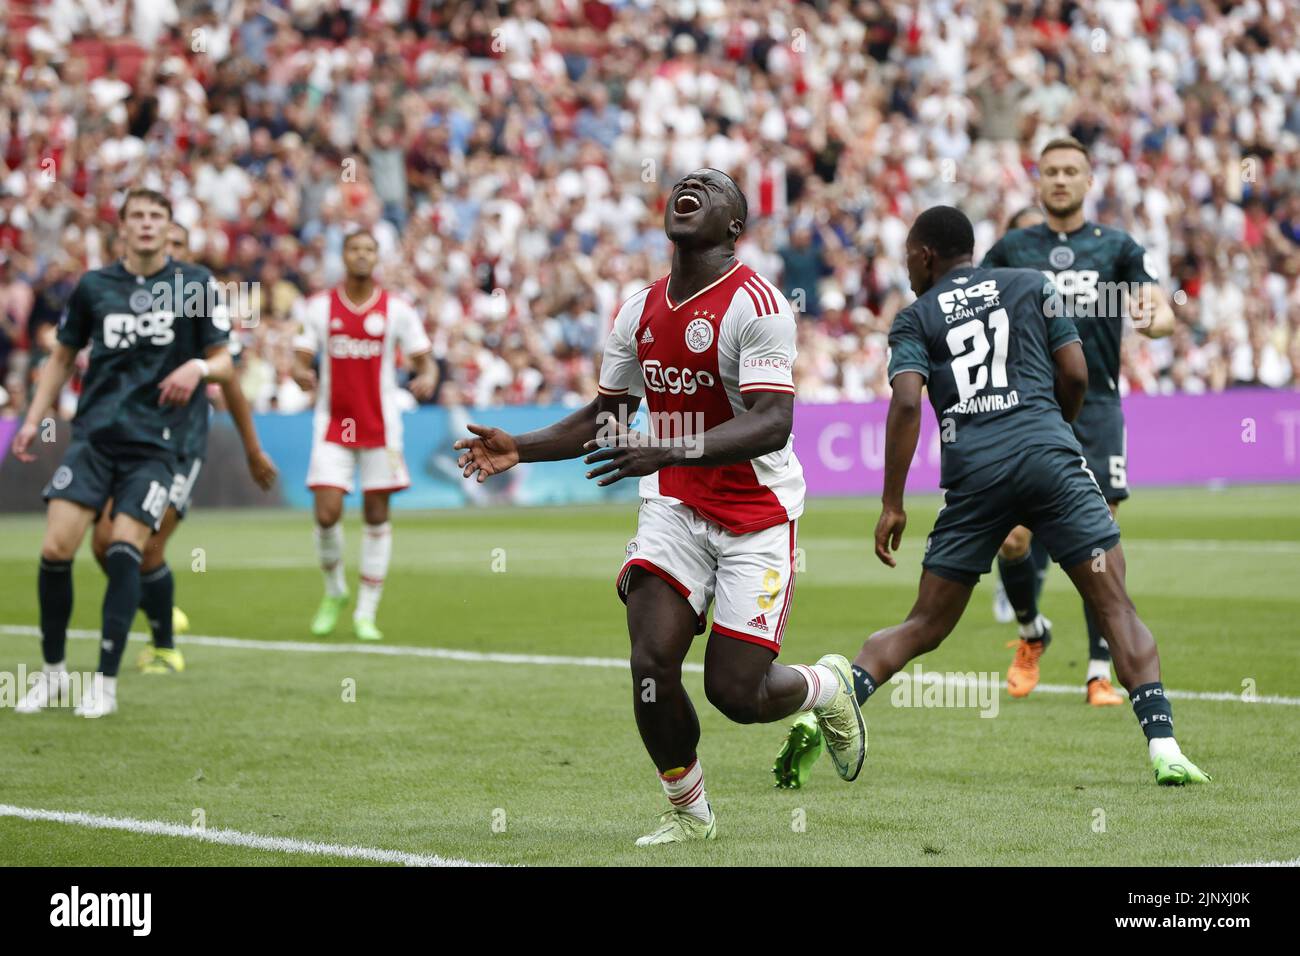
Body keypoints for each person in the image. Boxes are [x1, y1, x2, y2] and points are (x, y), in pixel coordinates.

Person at [454, 169, 865, 847]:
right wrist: (519, 448)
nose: (692, 185)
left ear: (735, 226)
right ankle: (689, 812)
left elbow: (772, 423)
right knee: (651, 663)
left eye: (711, 185)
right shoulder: (636, 310)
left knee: (737, 695)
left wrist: (667, 443)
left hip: (755, 514)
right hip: (673, 506)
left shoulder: (758, 305)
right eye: (684, 181)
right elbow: (606, 417)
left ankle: (827, 687)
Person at [771, 205, 1209, 788]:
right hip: (1051, 460)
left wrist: (893, 503)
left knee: (925, 622)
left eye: (907, 257)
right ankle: (1164, 747)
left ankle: (842, 691)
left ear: (925, 255)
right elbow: (1075, 372)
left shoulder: (915, 318)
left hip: (976, 478)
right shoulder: (1032, 284)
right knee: (1115, 606)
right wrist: (1055, 429)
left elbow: (905, 406)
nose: (906, 268)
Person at [11, 188, 234, 717]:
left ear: (169, 226)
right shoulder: (94, 286)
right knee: (55, 550)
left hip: (156, 446)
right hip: (93, 439)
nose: (147, 224)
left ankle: (105, 684)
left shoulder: (194, 285)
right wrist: (35, 418)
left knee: (123, 549)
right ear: (123, 227)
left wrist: (197, 368)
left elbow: (224, 361)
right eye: (137, 215)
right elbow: (62, 357)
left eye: (157, 215)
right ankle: (52, 674)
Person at [982, 138, 1174, 705]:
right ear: (1038, 182)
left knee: (1098, 540)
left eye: (1071, 172)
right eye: (1051, 172)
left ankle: (1098, 671)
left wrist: (1154, 319)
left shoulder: (1117, 246)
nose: (1061, 180)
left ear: (1089, 181)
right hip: (1025, 410)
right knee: (1013, 538)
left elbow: (1160, 308)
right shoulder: (1012, 248)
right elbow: (965, 302)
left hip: (1097, 410)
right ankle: (1029, 633)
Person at [87, 221, 278, 674]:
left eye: (177, 245)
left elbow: (228, 377)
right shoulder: (130, 304)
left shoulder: (198, 302)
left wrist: (252, 449)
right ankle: (157, 598)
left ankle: (166, 647)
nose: (166, 251)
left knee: (144, 543)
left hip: (180, 443)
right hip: (130, 438)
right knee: (102, 544)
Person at [291, 230, 438, 641]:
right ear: (343, 255)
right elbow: (300, 359)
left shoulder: (397, 310)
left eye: (368, 249)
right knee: (326, 513)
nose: (361, 255)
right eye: (354, 248)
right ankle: (335, 591)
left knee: (376, 516)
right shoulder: (319, 307)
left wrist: (426, 377)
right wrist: (302, 374)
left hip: (381, 426)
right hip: (332, 424)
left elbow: (425, 362)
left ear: (377, 257)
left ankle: (366, 613)